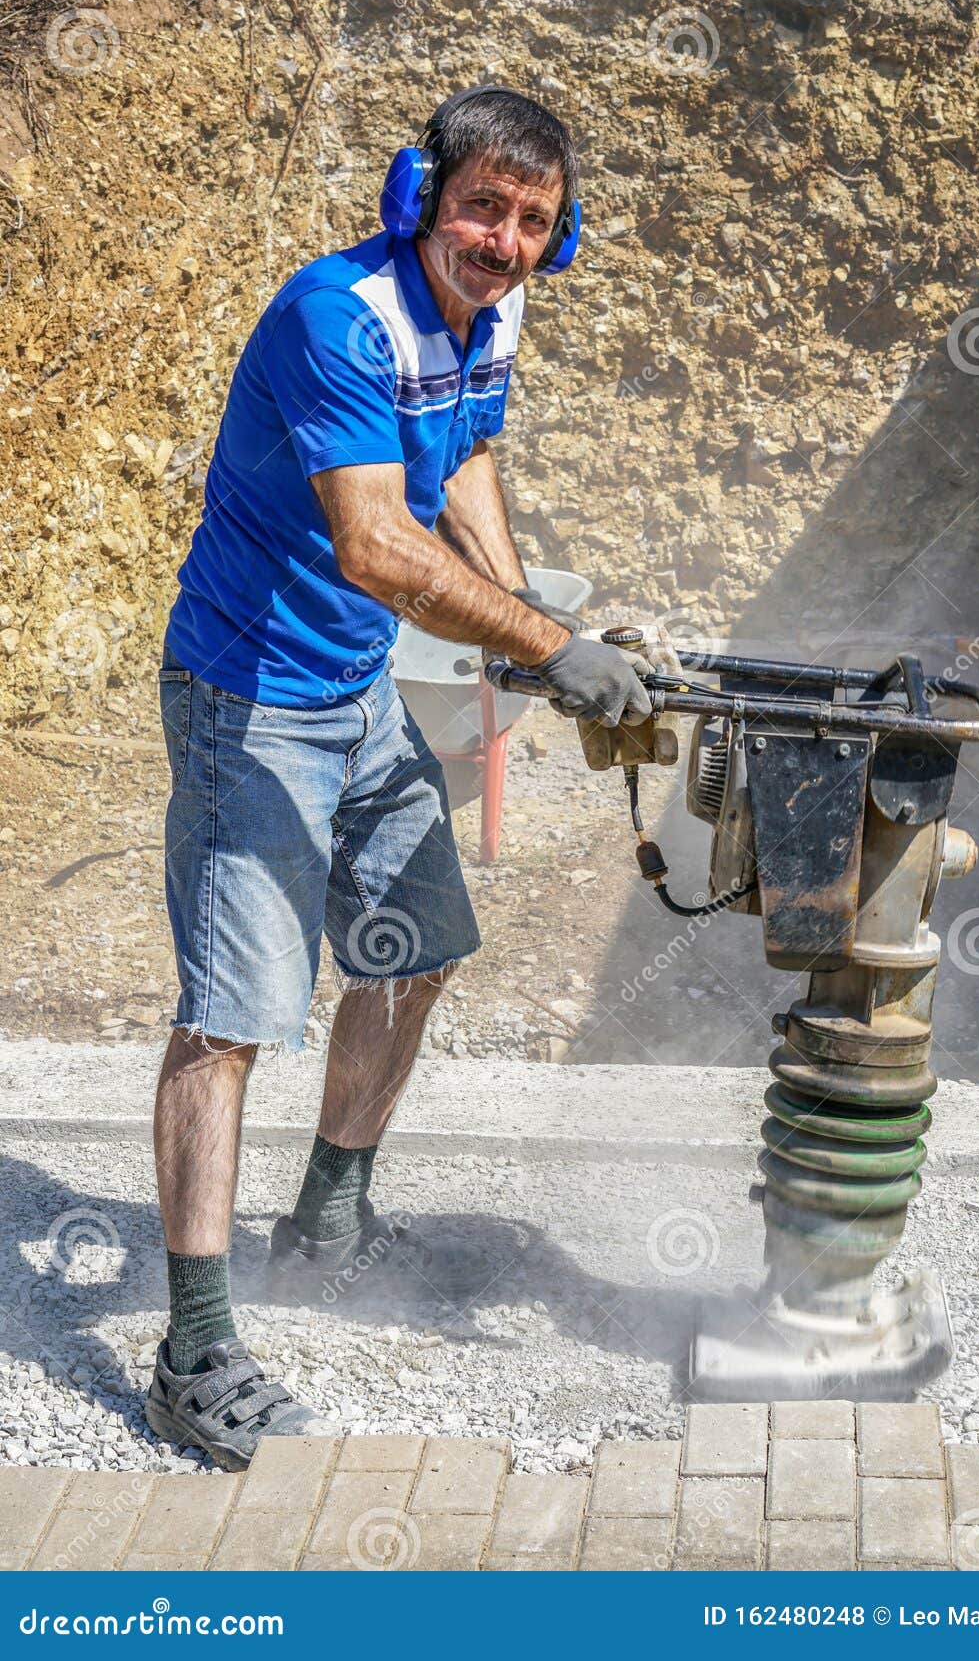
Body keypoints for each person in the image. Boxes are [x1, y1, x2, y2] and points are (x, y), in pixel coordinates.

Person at [146, 85, 651, 1470]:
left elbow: (471, 452)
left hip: (357, 690)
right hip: (248, 698)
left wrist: (533, 637)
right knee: (233, 1015)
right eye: (483, 206)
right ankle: (190, 1348)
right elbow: (373, 543)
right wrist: (550, 638)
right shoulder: (340, 317)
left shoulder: (496, 315)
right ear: (422, 193)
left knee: (415, 944)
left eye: (535, 222)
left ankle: (330, 1215)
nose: (503, 241)